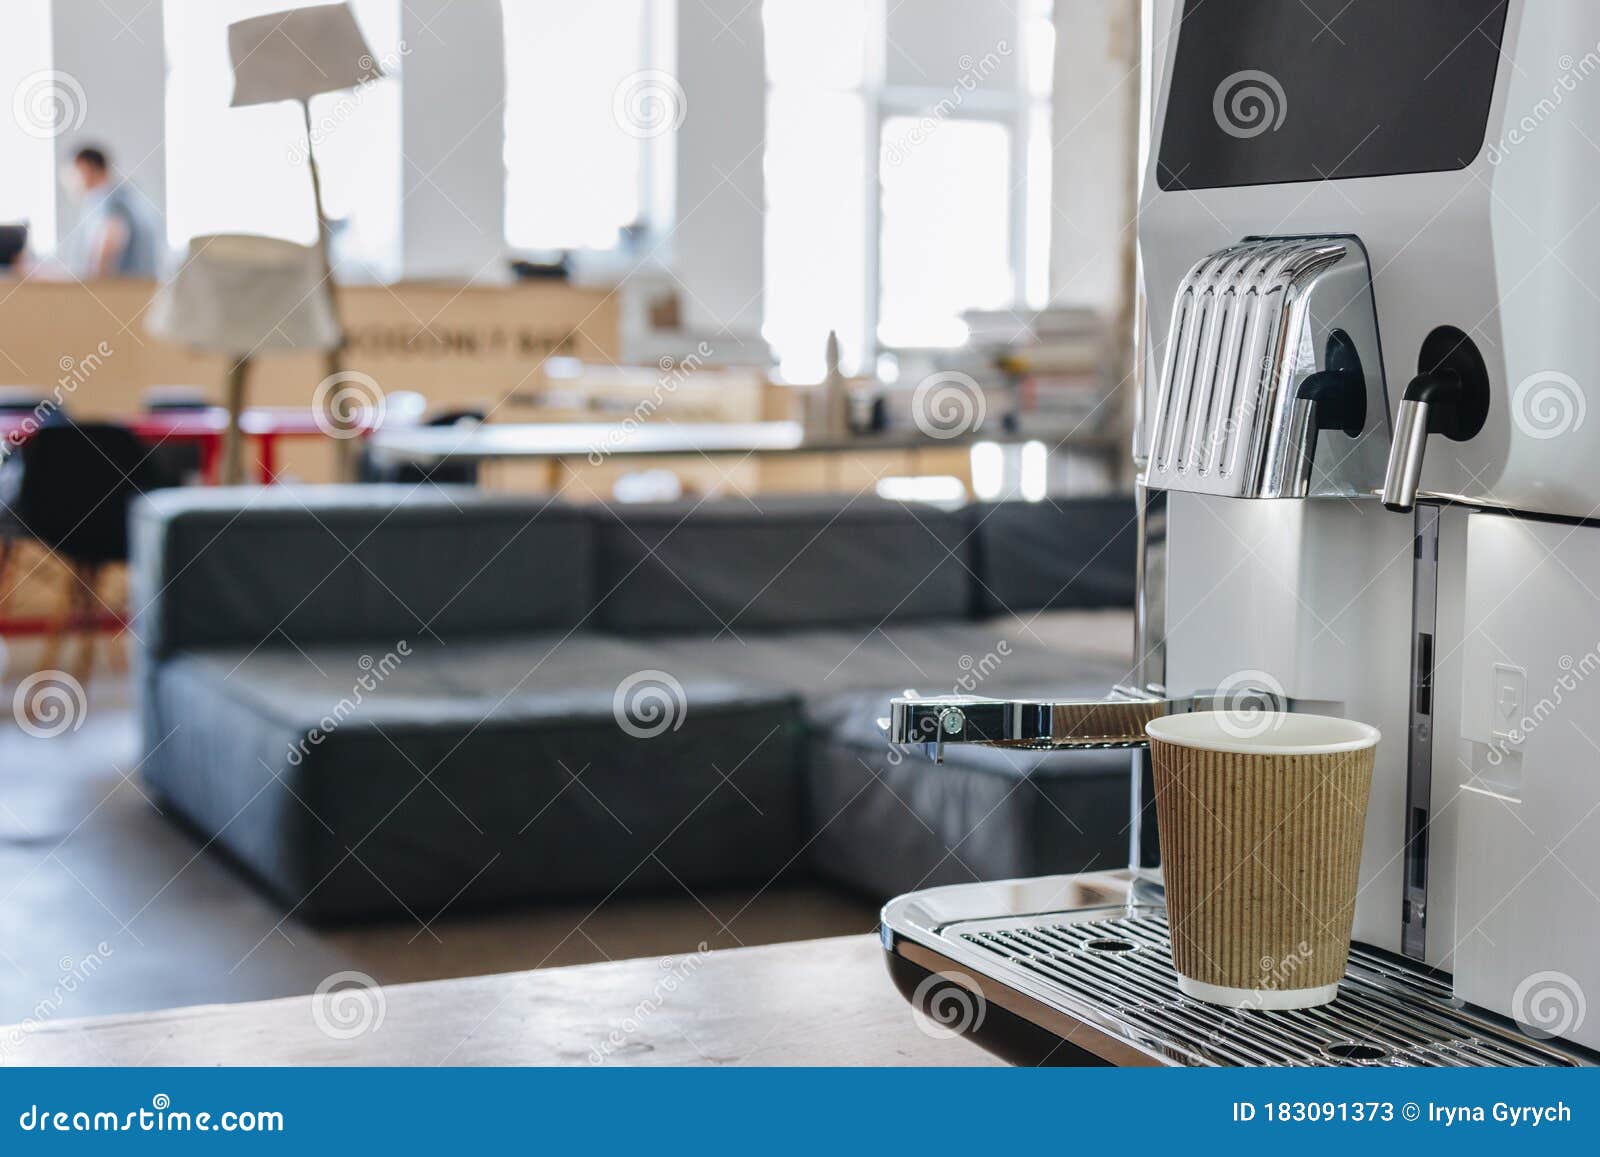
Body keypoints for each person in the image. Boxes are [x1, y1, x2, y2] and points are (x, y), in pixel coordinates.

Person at [63, 145, 158, 278]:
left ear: (86, 169)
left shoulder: (107, 200)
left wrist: (91, 289)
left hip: (119, 292)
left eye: (73, 173)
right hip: (142, 289)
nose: (69, 181)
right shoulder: (127, 195)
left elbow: (109, 242)